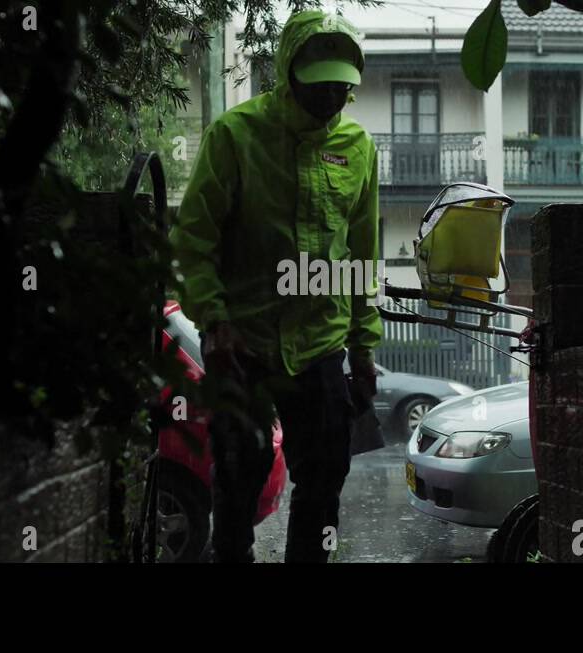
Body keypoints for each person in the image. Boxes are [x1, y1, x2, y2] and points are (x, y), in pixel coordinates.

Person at [169, 10, 383, 563]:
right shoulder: (236, 137)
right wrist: (214, 322)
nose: (333, 95)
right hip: (245, 347)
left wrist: (363, 348)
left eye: (342, 84)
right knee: (238, 485)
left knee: (323, 484)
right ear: (287, 73)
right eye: (320, 84)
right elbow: (195, 238)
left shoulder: (359, 148)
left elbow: (363, 251)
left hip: (318, 345)